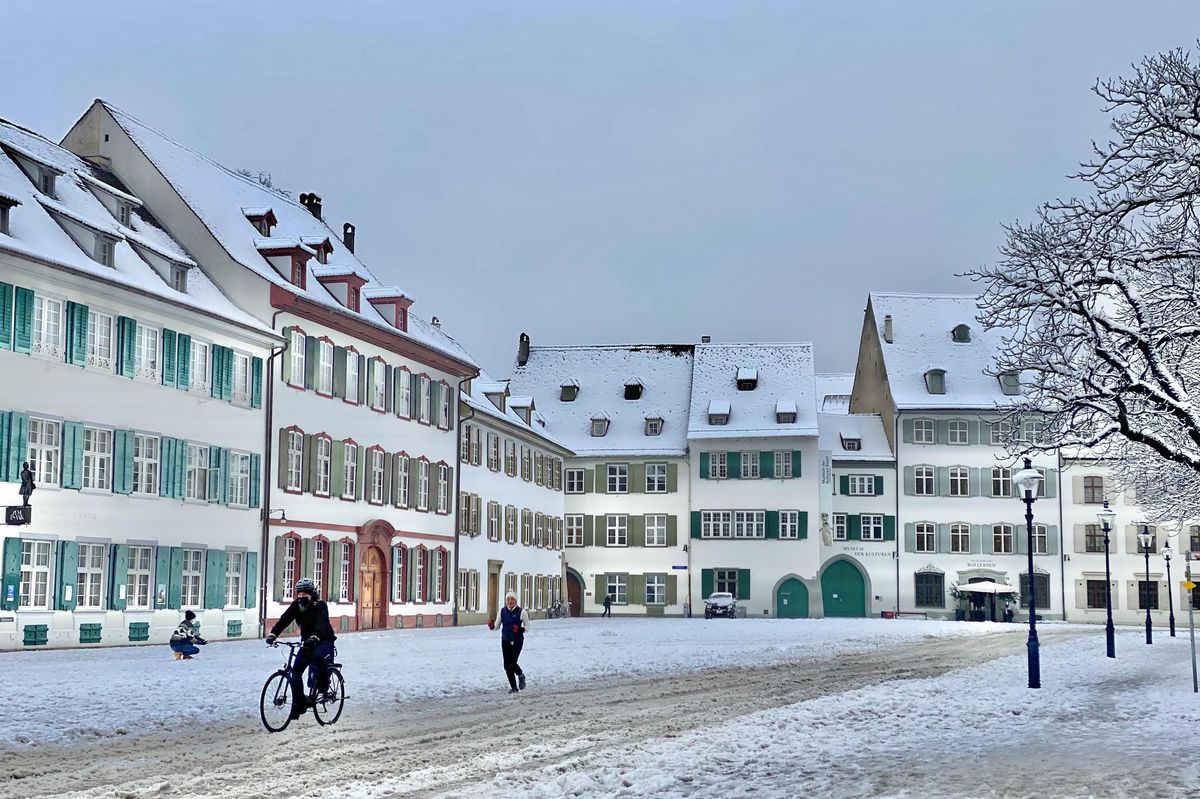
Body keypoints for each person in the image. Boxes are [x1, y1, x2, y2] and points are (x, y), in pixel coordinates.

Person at [265, 578, 337, 719]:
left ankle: (323, 685)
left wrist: (315, 637)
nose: (302, 597)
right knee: (295, 671)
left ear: (312, 593)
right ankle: (300, 704)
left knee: (317, 657)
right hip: (306, 642)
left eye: (305, 594)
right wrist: (273, 634)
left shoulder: (320, 605)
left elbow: (321, 625)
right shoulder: (296, 605)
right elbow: (284, 620)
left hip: (324, 640)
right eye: (299, 594)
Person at [489, 591, 530, 694]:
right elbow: (497, 626)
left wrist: (520, 629)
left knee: (512, 662)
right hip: (505, 641)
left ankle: (520, 675)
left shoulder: (522, 612)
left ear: (516, 601)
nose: (510, 601)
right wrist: (492, 626)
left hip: (517, 641)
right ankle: (514, 688)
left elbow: (527, 627)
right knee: (506, 665)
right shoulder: (502, 611)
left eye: (512, 599)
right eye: (508, 599)